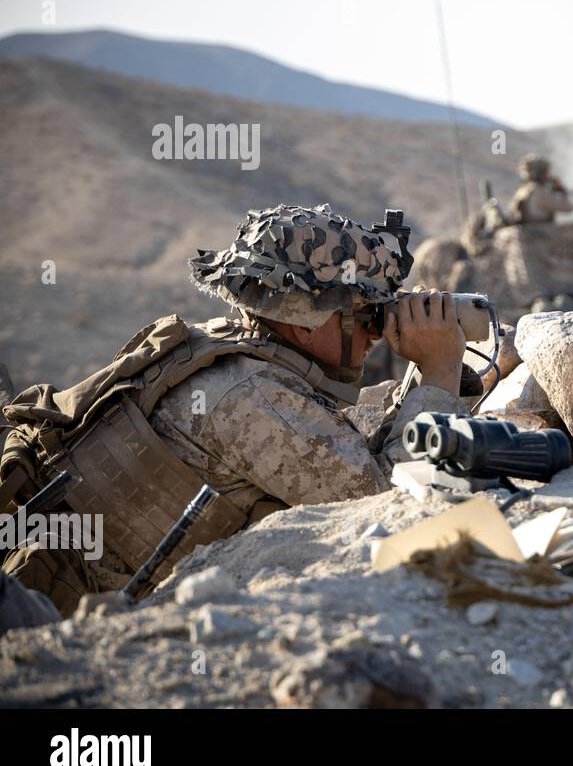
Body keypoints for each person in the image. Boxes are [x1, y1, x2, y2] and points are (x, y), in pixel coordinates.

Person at [1, 204, 474, 614]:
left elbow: (343, 443)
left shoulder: (230, 350)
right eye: (364, 314)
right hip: (73, 623)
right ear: (303, 320)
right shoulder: (250, 396)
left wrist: (428, 370)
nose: (375, 332)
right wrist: (438, 368)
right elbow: (389, 508)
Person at [508, 154, 573, 225]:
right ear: (541, 173)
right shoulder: (540, 192)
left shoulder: (523, 190)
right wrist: (561, 190)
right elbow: (568, 207)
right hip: (538, 232)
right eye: (546, 172)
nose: (548, 176)